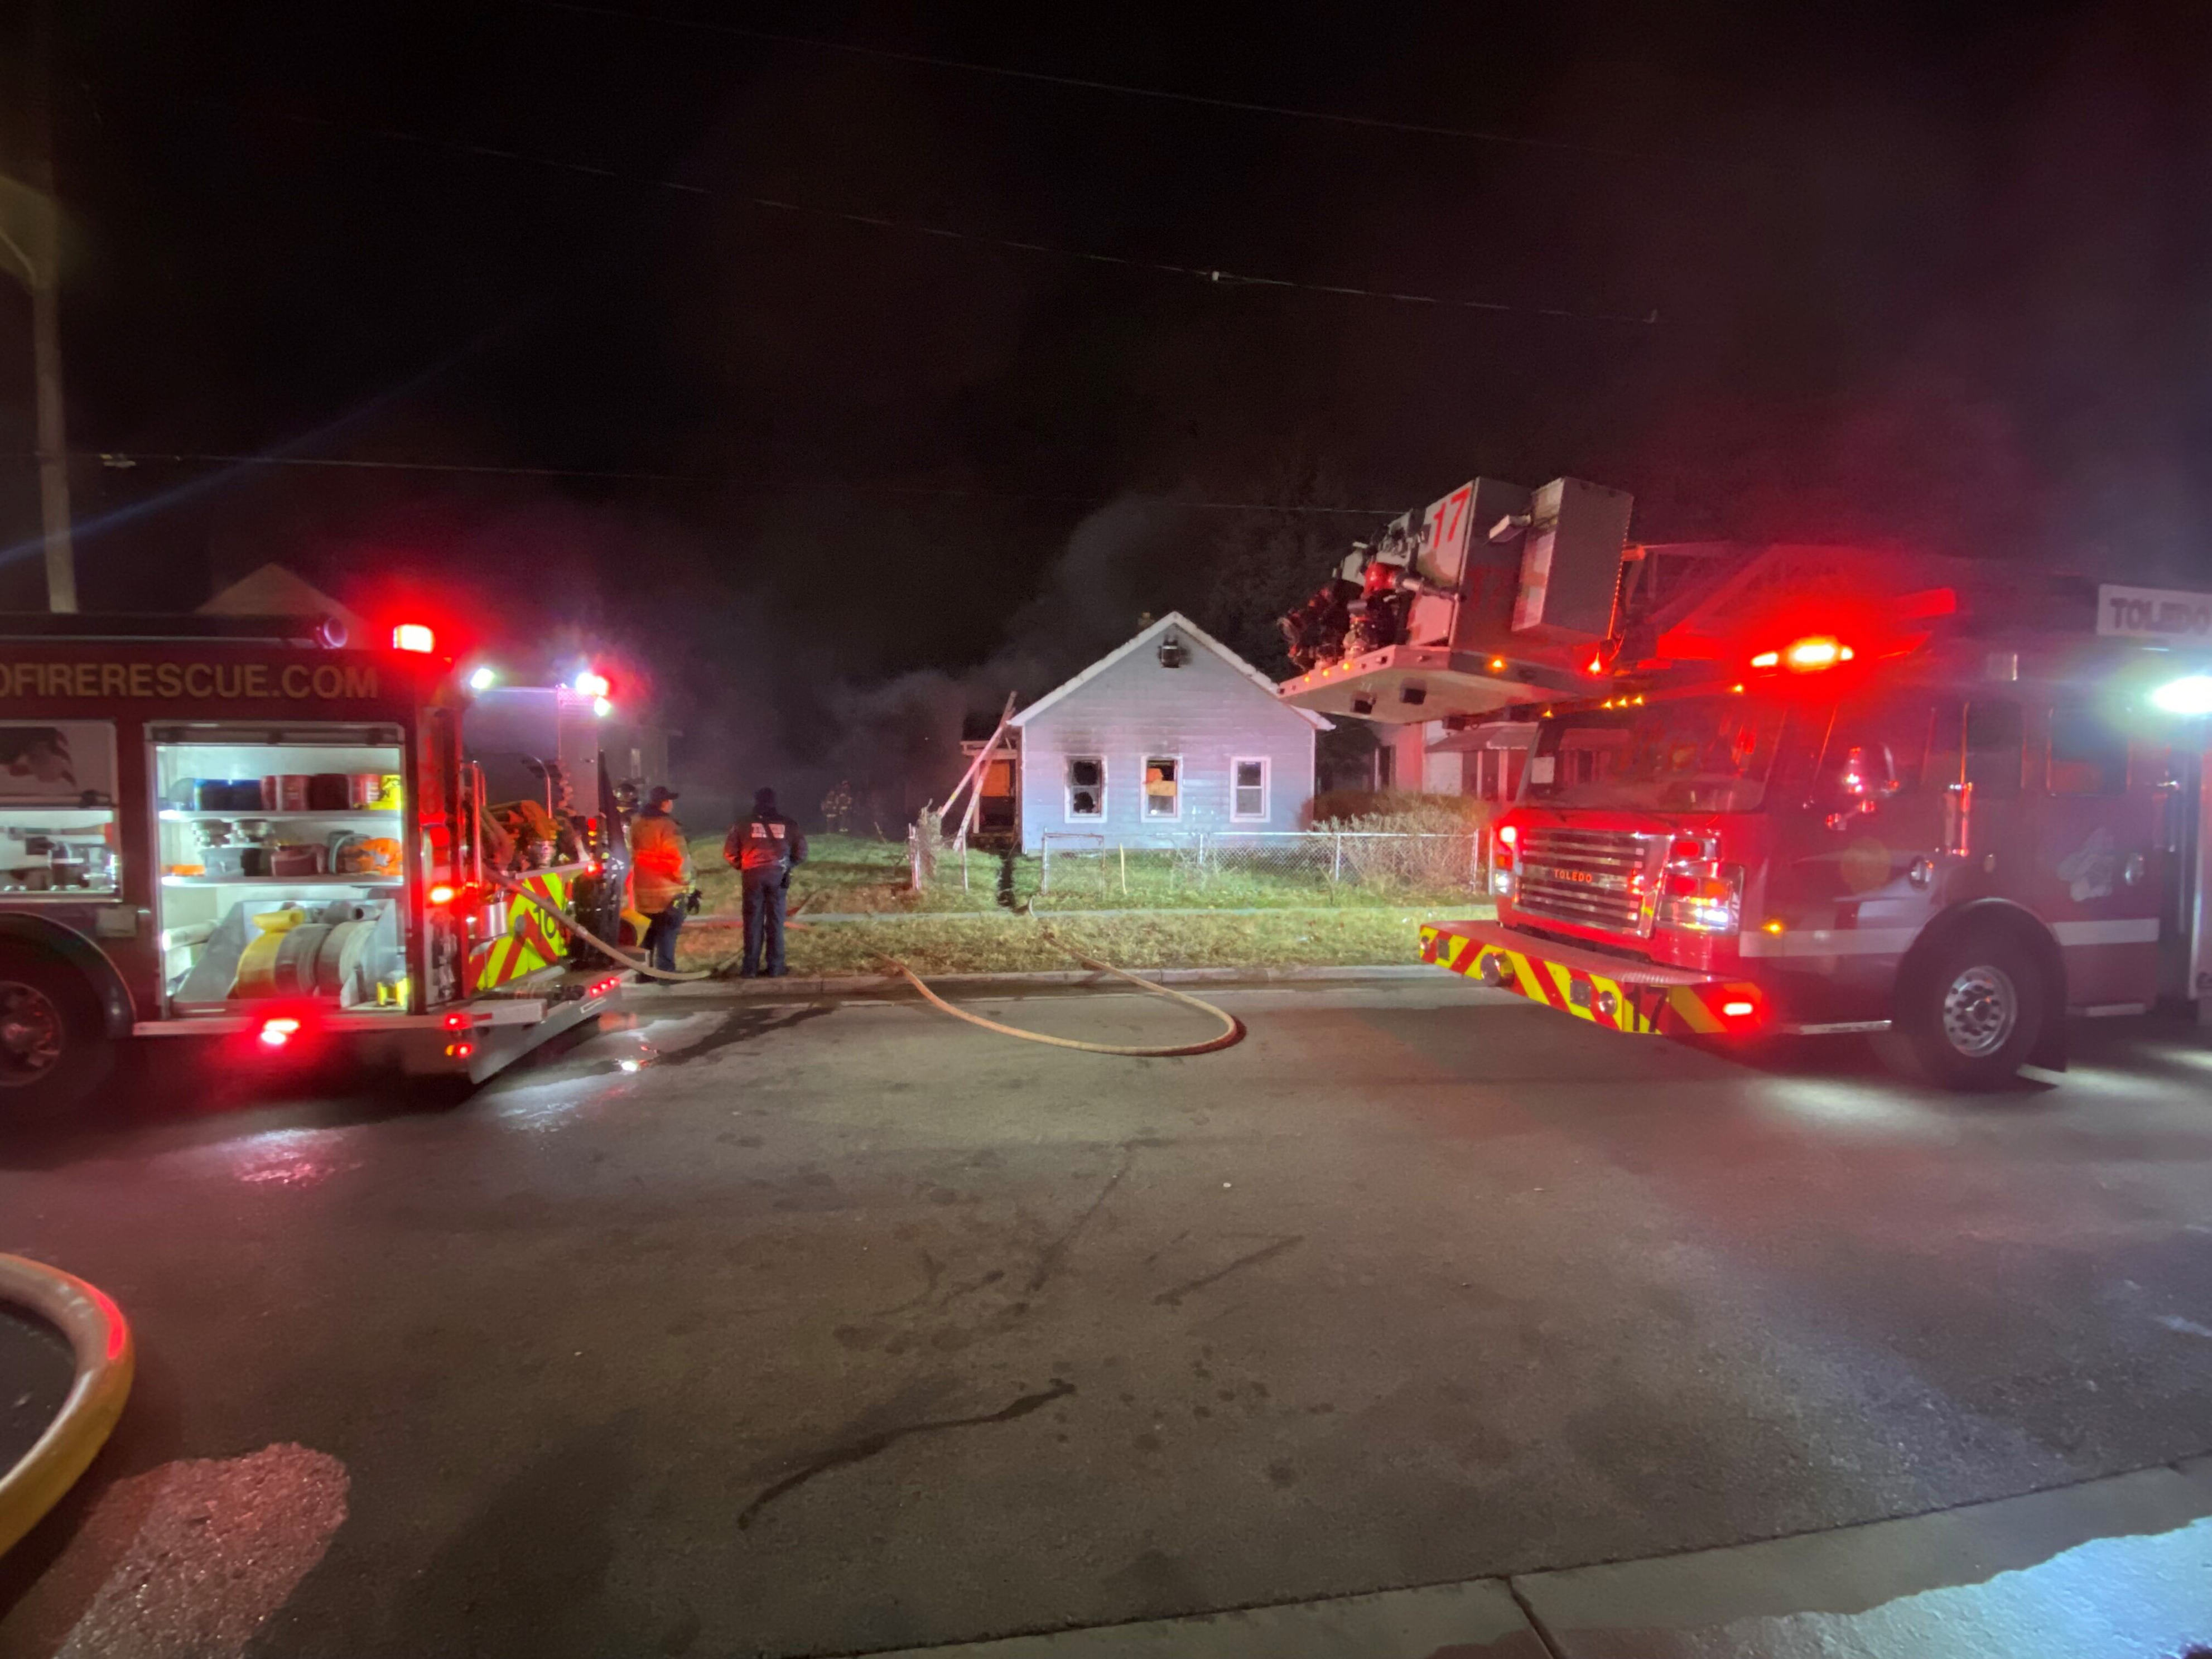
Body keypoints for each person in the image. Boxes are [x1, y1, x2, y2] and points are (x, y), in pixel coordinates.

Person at [723, 786, 807, 977]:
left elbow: (729, 853)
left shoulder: (742, 824)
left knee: (752, 922)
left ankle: (750, 968)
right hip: (778, 876)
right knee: (776, 922)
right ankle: (776, 968)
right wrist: (787, 866)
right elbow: (801, 852)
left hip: (752, 875)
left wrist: (743, 866)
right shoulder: (789, 824)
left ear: (756, 801)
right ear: (774, 802)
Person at [628, 785, 693, 973]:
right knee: (667, 935)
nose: (671, 804)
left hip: (642, 892)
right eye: (669, 800)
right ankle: (666, 974)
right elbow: (680, 859)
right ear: (664, 803)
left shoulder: (636, 823)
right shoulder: (668, 827)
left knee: (646, 936)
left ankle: (644, 974)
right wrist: (686, 882)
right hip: (667, 894)